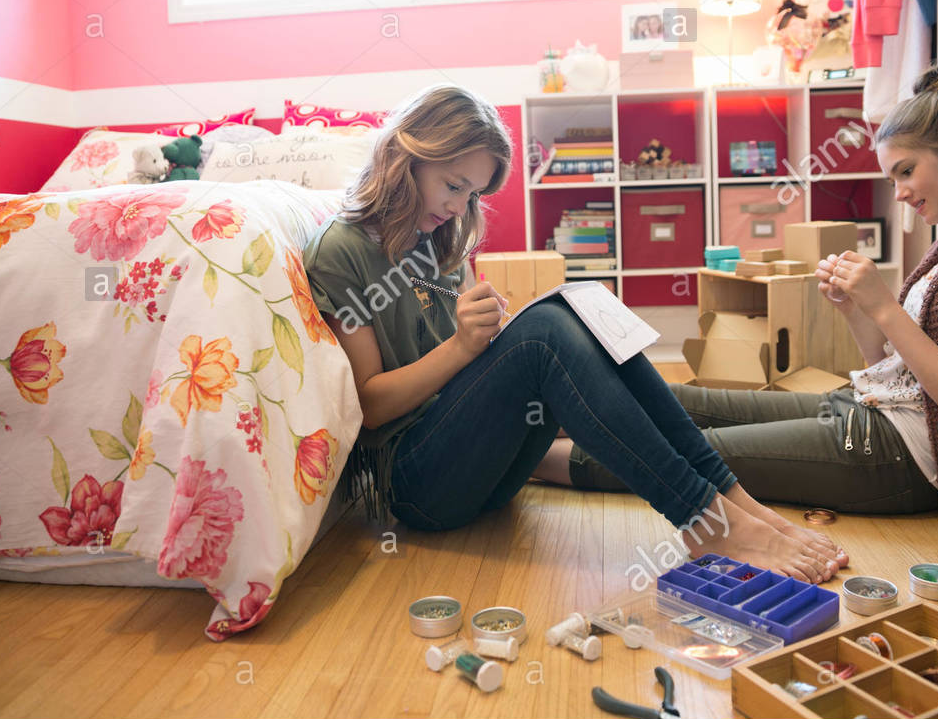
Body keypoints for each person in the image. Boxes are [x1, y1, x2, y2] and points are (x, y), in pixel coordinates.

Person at [302, 84, 843, 583]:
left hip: (479, 470)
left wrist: (490, 343)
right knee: (542, 333)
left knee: (578, 308)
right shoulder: (342, 251)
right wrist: (465, 346)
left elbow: (468, 375)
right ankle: (705, 517)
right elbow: (370, 406)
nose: (457, 208)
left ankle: (733, 501)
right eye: (453, 186)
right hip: (418, 488)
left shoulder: (436, 237)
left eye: (471, 196)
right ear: (408, 158)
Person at [540, 67, 938, 517]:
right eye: (893, 176)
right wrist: (858, 311)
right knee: (677, 400)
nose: (899, 191)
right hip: (870, 408)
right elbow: (889, 361)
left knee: (691, 452)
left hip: (917, 456)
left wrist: (883, 306)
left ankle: (526, 462)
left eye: (906, 171)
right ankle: (532, 420)